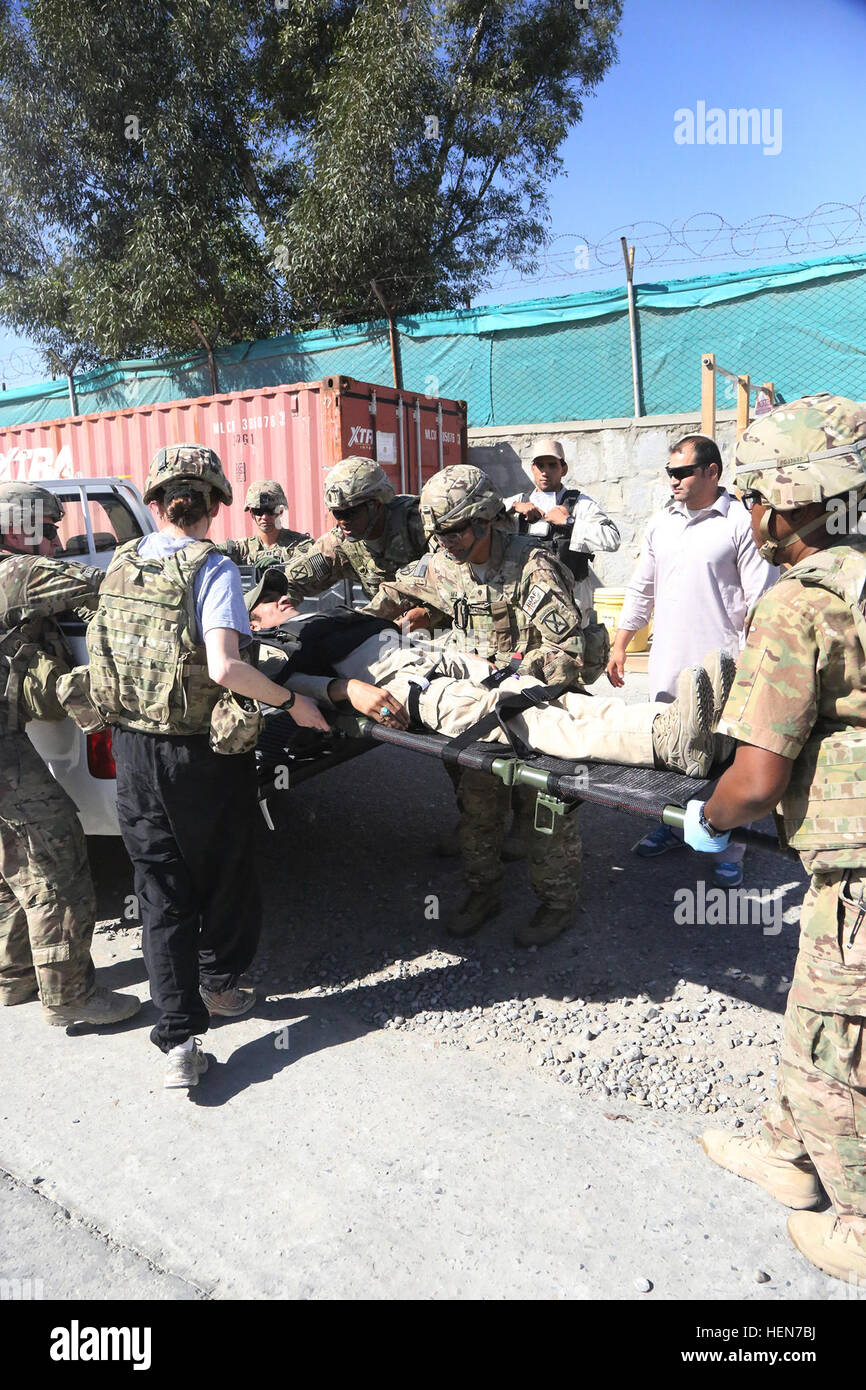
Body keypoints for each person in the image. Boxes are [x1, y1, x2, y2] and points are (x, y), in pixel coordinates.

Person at [681, 394, 866, 1284]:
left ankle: (859, 1227)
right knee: (814, 1008)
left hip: (858, 865)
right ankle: (788, 1160)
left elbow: (755, 778)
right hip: (845, 868)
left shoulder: (798, 605)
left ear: (788, 507)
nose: (748, 514)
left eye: (755, 497)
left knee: (839, 1044)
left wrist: (707, 818)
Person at [83, 443, 332, 1090]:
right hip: (199, 754)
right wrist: (293, 702)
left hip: (132, 753)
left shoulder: (123, 560)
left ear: (159, 503)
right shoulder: (212, 569)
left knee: (159, 892)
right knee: (225, 872)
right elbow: (225, 667)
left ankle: (179, 1042)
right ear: (214, 504)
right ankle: (221, 986)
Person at [375, 464, 611, 949]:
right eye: (438, 533)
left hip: (543, 706)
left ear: (486, 520)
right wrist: (352, 626)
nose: (446, 542)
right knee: (478, 808)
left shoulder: (532, 566)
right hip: (482, 711)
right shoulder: (443, 561)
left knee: (548, 812)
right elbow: (395, 591)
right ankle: (484, 893)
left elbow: (568, 656)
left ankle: (556, 903)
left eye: (456, 530)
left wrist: (504, 676)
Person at [247, 566, 733, 777]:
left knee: (548, 696)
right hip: (409, 690)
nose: (280, 598)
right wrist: (344, 688)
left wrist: (477, 662)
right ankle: (664, 744)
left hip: (433, 658)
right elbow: (280, 687)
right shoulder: (271, 643)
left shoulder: (327, 614)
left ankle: (676, 721)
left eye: (279, 592)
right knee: (529, 719)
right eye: (268, 601)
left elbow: (400, 636)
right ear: (253, 621)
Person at [607, 432, 777, 887]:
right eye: (670, 472)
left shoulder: (741, 522)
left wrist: (752, 662)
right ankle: (671, 826)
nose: (674, 480)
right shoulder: (661, 523)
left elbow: (762, 598)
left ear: (711, 472)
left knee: (724, 759)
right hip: (668, 664)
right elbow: (642, 586)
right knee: (671, 750)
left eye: (683, 472)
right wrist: (621, 642)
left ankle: (731, 848)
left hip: (725, 667)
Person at [0, 482, 140, 1028]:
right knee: (58, 860)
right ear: (20, 530)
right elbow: (103, 582)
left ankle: (14, 978)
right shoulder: (17, 571)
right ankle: (72, 997)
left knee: (13, 862)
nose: (60, 540)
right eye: (51, 529)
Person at [281, 457, 431, 628]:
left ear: (376, 505)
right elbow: (290, 582)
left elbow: (455, 577)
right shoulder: (340, 544)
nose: (343, 521)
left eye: (351, 512)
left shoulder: (419, 524)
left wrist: (429, 614)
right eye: (337, 513)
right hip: (389, 636)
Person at [506, 436, 621, 621]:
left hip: (571, 601)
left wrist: (570, 523)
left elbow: (612, 539)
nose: (545, 472)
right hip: (531, 601)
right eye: (540, 466)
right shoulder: (518, 502)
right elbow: (479, 518)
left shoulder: (580, 504)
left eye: (552, 465)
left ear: (563, 469)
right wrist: (511, 508)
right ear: (532, 469)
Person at [217, 480, 311, 567]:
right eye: (258, 511)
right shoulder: (242, 549)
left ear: (280, 511)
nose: (264, 517)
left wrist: (281, 568)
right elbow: (210, 551)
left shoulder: (300, 545)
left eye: (270, 510)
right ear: (252, 514)